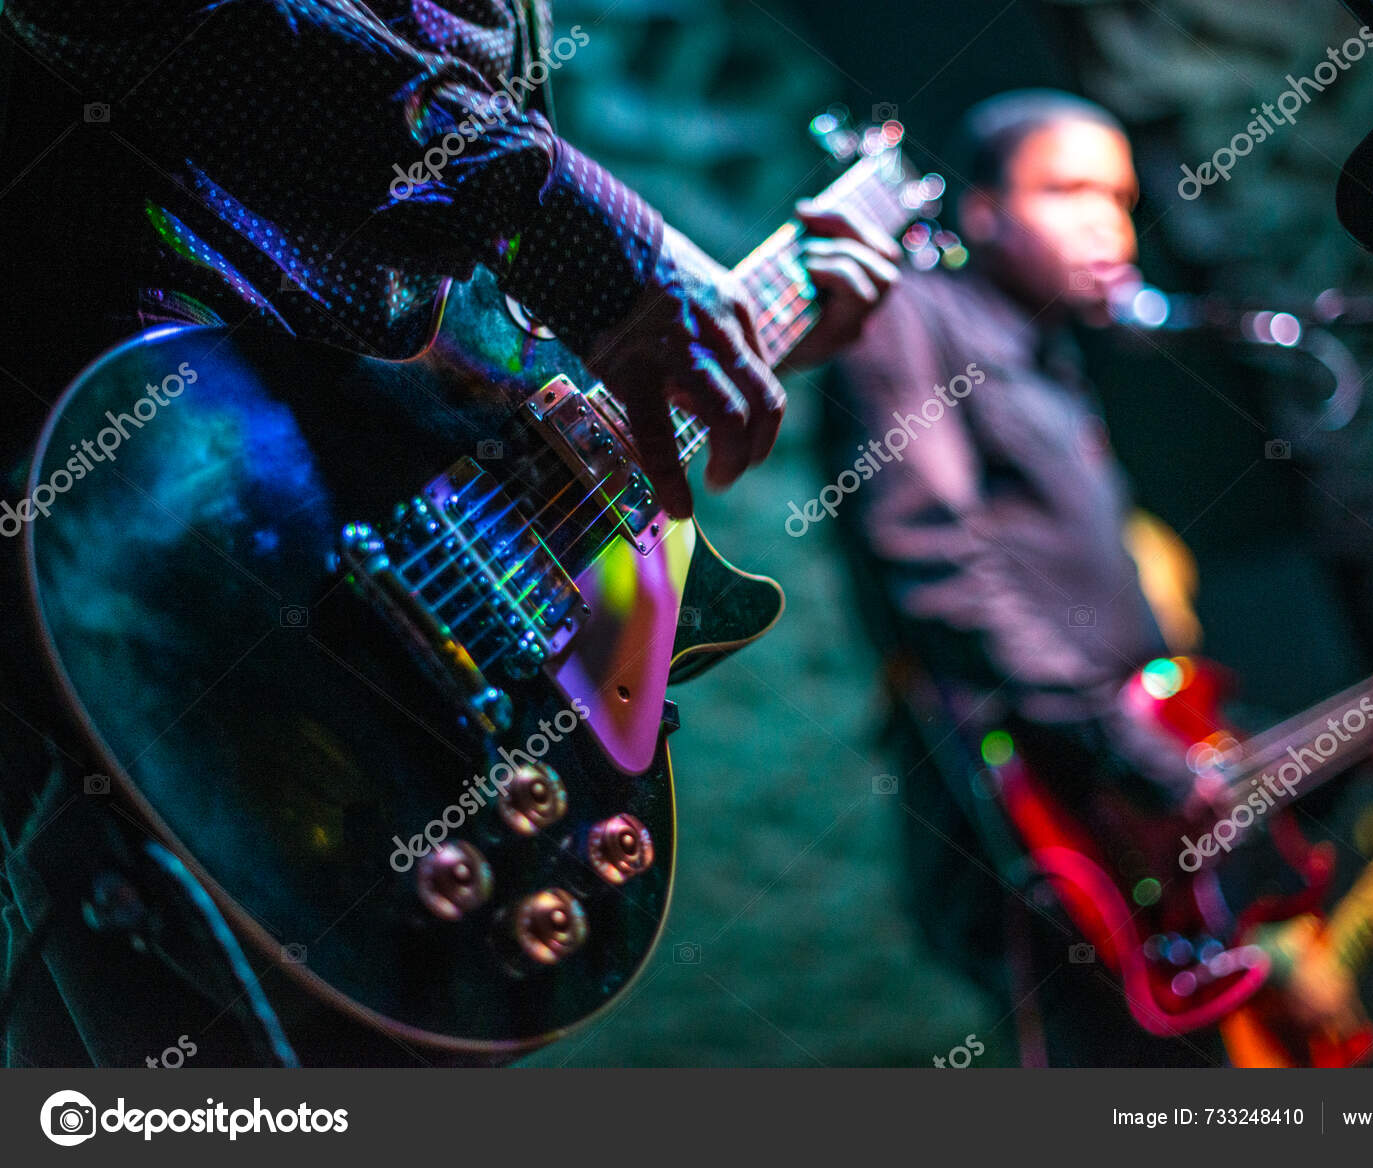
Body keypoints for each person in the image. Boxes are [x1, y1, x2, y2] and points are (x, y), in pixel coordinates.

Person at [0, 1, 896, 1066]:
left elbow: (446, 320)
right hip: (172, 563)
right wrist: (608, 246)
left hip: (397, 667)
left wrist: (729, 345)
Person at [823, 90, 1373, 1065]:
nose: (1107, 222)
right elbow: (935, 560)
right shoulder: (911, 315)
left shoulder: (1054, 365)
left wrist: (1322, 747)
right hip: (1035, 819)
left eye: (1117, 195)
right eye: (1066, 190)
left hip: (1120, 807)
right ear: (981, 211)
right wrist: (1135, 756)